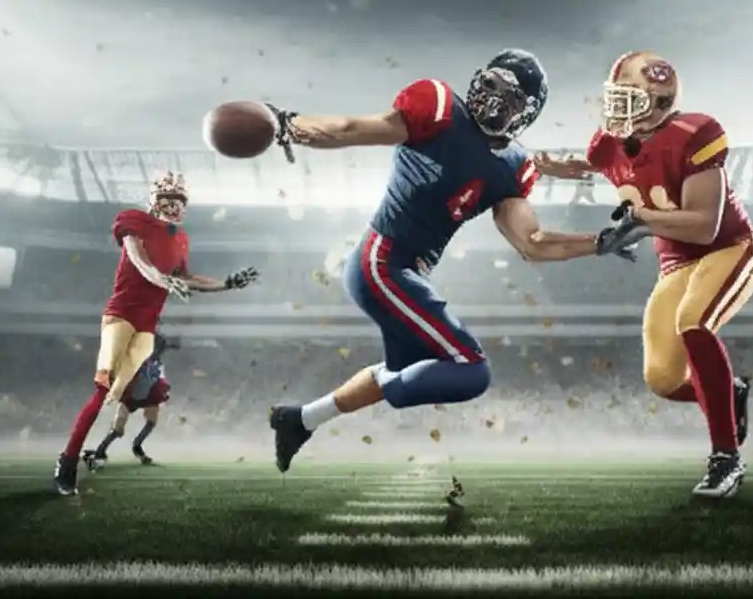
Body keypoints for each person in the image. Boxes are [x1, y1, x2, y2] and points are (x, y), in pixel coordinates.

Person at [262, 49, 644, 473]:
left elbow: (532, 243)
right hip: (382, 262)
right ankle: (322, 412)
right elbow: (351, 128)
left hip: (405, 272)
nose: (493, 100)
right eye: (491, 84)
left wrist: (600, 241)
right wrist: (289, 126)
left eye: (510, 97)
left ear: (527, 113)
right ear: (477, 78)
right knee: (469, 370)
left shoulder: (513, 167)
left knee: (401, 370)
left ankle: (299, 420)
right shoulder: (439, 109)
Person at [533, 51, 753, 498]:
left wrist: (639, 220)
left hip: (726, 249)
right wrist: (568, 169)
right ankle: (727, 394)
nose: (616, 109)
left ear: (659, 102)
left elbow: (704, 224)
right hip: (676, 262)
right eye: (615, 98)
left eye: (629, 99)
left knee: (693, 323)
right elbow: (610, 164)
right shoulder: (607, 142)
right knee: (662, 379)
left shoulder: (695, 135)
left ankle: (726, 458)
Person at [53, 172, 259, 496]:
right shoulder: (133, 223)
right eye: (168, 200)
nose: (174, 207)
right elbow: (141, 263)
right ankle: (67, 463)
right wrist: (165, 281)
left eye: (180, 202)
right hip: (121, 317)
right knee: (101, 390)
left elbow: (187, 278)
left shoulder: (181, 240)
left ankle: (101, 448)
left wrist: (226, 283)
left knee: (116, 395)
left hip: (146, 327)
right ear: (154, 201)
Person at [83, 333, 177, 469]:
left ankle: (136, 445)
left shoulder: (156, 362)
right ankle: (101, 450)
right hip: (132, 390)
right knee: (118, 427)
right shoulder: (135, 356)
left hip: (150, 390)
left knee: (151, 421)